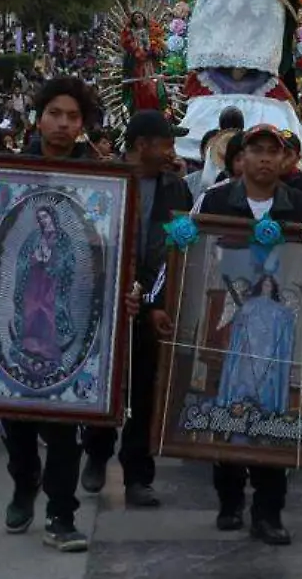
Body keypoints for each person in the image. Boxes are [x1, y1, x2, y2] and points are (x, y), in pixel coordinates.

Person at [192, 124, 302, 547]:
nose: (265, 159)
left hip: (278, 330)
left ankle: (269, 511)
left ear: (285, 160)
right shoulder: (215, 201)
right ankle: (229, 501)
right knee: (228, 407)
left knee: (271, 414)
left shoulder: (298, 205)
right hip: (232, 328)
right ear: (240, 158)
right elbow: (192, 249)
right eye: (256, 150)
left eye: (273, 151)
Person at [1, 77, 98, 552]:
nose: (62, 124)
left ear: (83, 125)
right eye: (54, 114)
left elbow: (102, 252)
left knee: (65, 424)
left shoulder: (101, 180)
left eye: (72, 117)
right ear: (38, 116)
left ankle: (62, 513)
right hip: (28, 304)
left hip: (62, 308)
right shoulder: (9, 172)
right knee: (14, 416)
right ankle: (23, 482)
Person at [82, 109, 191, 507]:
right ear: (141, 145)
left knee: (145, 392)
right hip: (106, 302)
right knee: (104, 383)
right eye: (166, 144)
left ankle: (137, 476)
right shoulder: (103, 181)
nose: (172, 152)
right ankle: (95, 454)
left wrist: (159, 302)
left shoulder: (176, 188)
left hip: (153, 307)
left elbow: (182, 245)